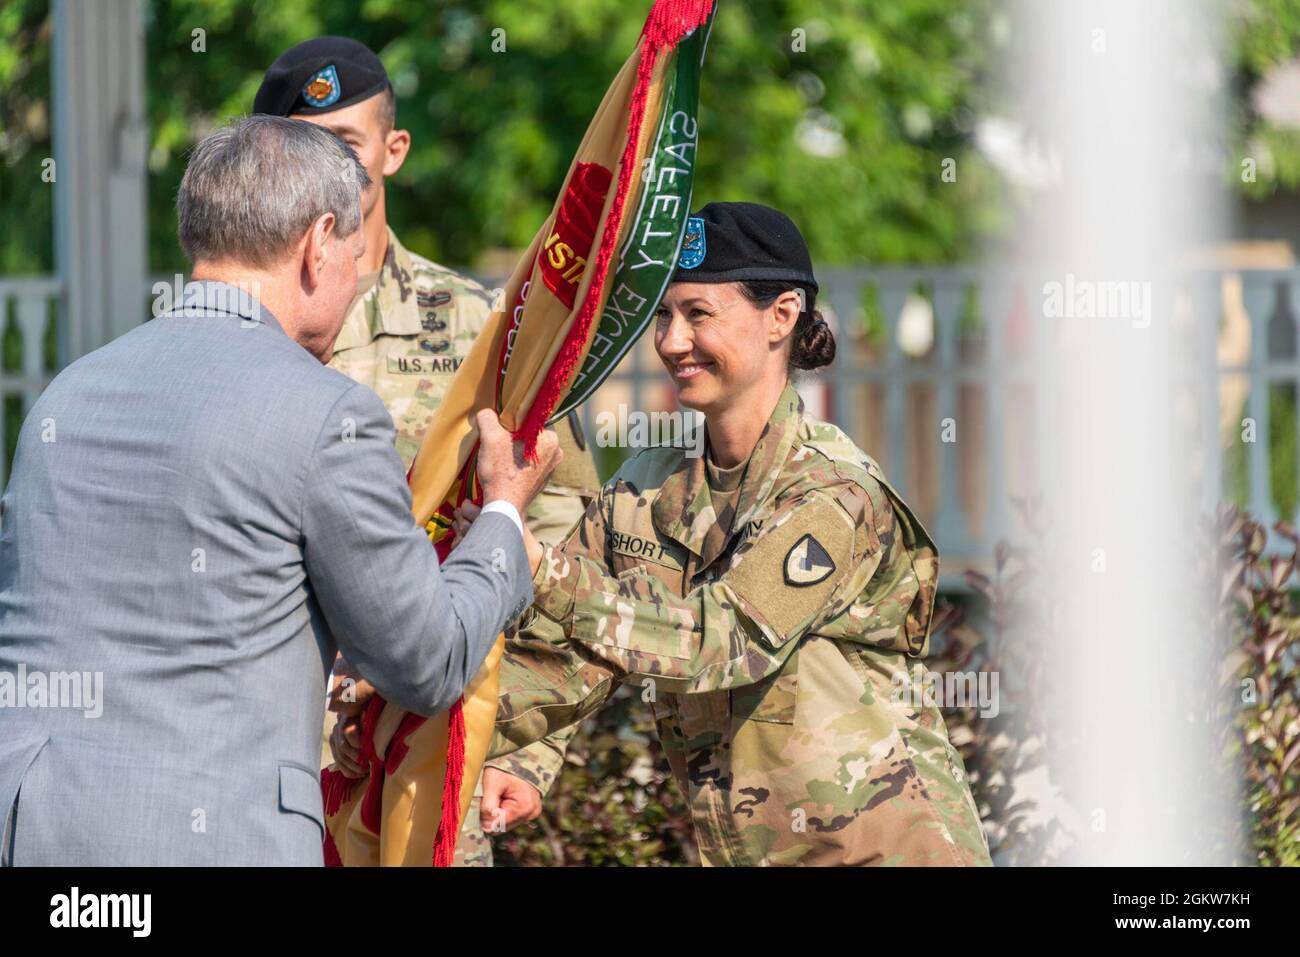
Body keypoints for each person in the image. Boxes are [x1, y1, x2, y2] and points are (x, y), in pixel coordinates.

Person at [0, 115, 559, 866]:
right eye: (355, 255)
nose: (357, 283)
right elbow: (424, 658)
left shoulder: (67, 396)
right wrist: (501, 512)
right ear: (318, 241)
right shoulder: (326, 411)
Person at [460, 202, 993, 866]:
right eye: (664, 315)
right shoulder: (645, 488)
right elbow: (566, 651)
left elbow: (720, 643)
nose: (672, 340)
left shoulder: (833, 492)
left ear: (783, 314)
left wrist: (537, 563)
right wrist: (511, 747)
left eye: (699, 314)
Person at [253, 36, 596, 865]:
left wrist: (515, 743)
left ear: (394, 150)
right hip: (256, 780)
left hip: (422, 774)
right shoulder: (233, 329)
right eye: (299, 146)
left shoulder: (483, 336)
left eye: (345, 145)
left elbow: (561, 539)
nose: (324, 169)